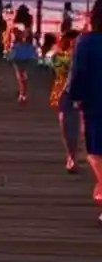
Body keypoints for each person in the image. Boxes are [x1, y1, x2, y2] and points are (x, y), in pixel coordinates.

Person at [66, 0, 102, 213]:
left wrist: (75, 96)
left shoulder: (85, 42)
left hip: (95, 103)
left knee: (95, 151)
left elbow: (78, 73)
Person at [50, 30, 82, 173]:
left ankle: (74, 156)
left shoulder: (82, 55)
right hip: (64, 91)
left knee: (76, 125)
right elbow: (57, 66)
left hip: (82, 92)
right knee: (64, 123)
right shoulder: (60, 56)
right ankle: (71, 155)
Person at [8, 24, 37, 105]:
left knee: (20, 78)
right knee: (23, 78)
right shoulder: (29, 44)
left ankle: (22, 94)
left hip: (18, 59)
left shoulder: (16, 43)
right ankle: (23, 94)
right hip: (25, 59)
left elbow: (12, 52)